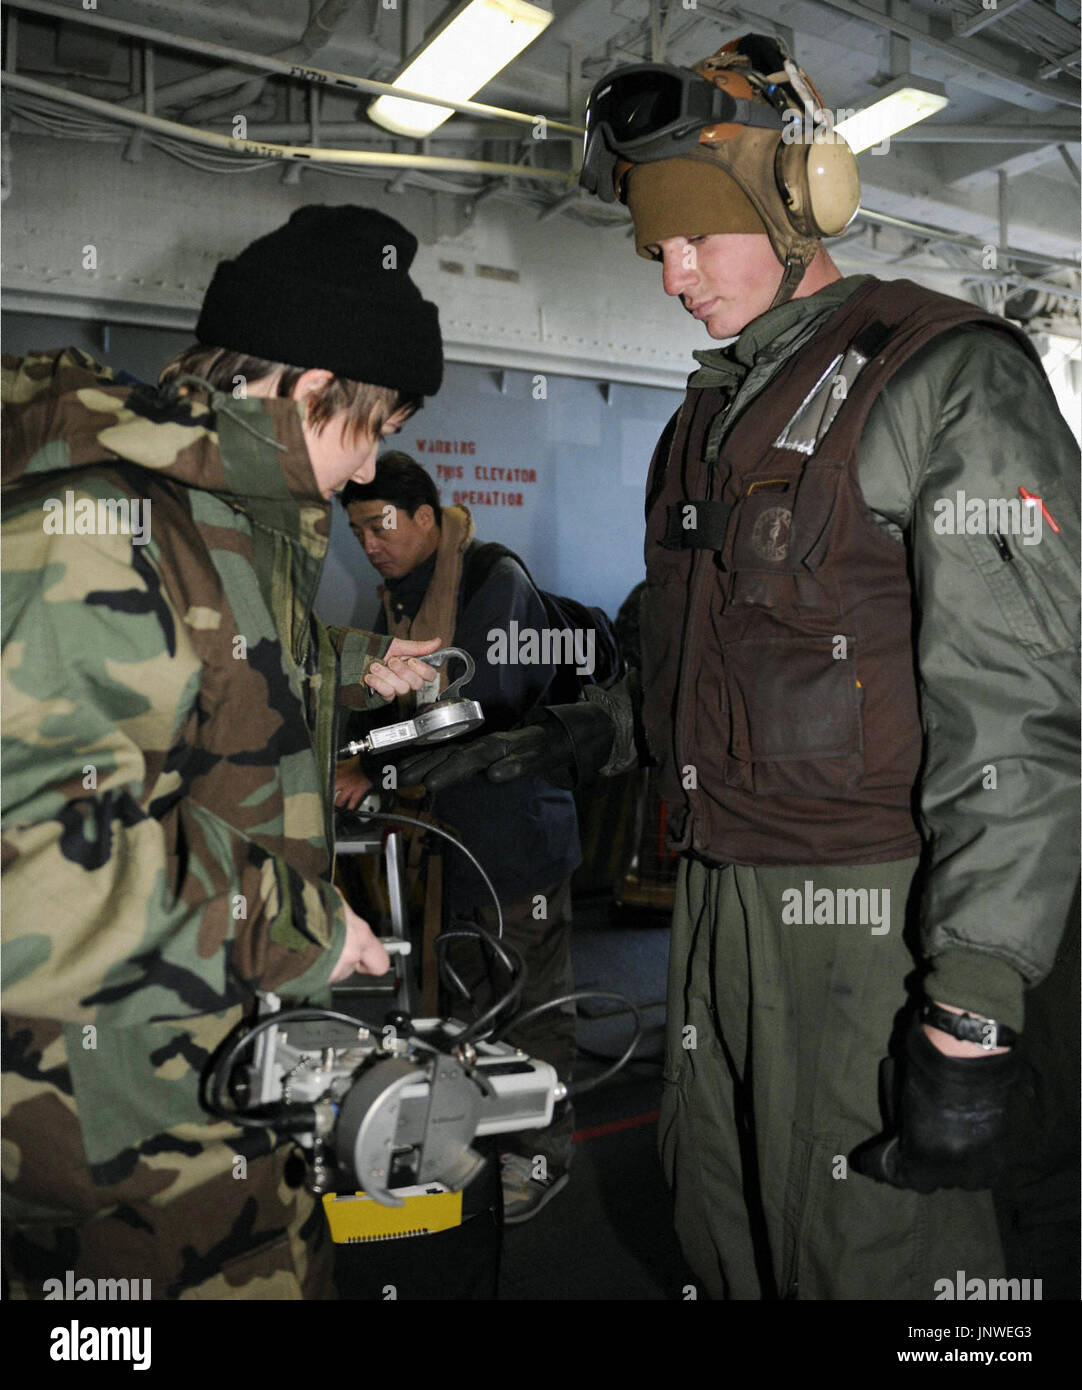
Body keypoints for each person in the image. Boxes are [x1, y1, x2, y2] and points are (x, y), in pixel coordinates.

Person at [400, 36, 1080, 1299]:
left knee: (872, 1255)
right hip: (715, 905)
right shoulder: (704, 422)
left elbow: (1021, 710)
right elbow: (689, 661)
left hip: (874, 910)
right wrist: (562, 737)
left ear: (796, 199)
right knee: (722, 1224)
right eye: (653, 247)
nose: (671, 275)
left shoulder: (943, 379)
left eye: (695, 239)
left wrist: (972, 1001)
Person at [1, 204, 446, 1299]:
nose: (365, 473)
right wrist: (302, 925)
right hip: (119, 1131)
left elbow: (201, 669)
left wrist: (348, 665)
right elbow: (46, 872)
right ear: (306, 388)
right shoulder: (94, 526)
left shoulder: (223, 517)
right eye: (372, 428)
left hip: (220, 1072)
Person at [335, 453, 582, 1222]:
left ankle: (543, 1159)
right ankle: (482, 1142)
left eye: (380, 526)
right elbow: (380, 707)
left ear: (426, 518)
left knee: (531, 1004)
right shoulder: (396, 603)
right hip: (451, 835)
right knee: (471, 1003)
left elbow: (474, 707)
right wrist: (356, 751)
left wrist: (374, 767)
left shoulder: (490, 580)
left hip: (513, 831)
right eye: (357, 531)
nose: (369, 543)